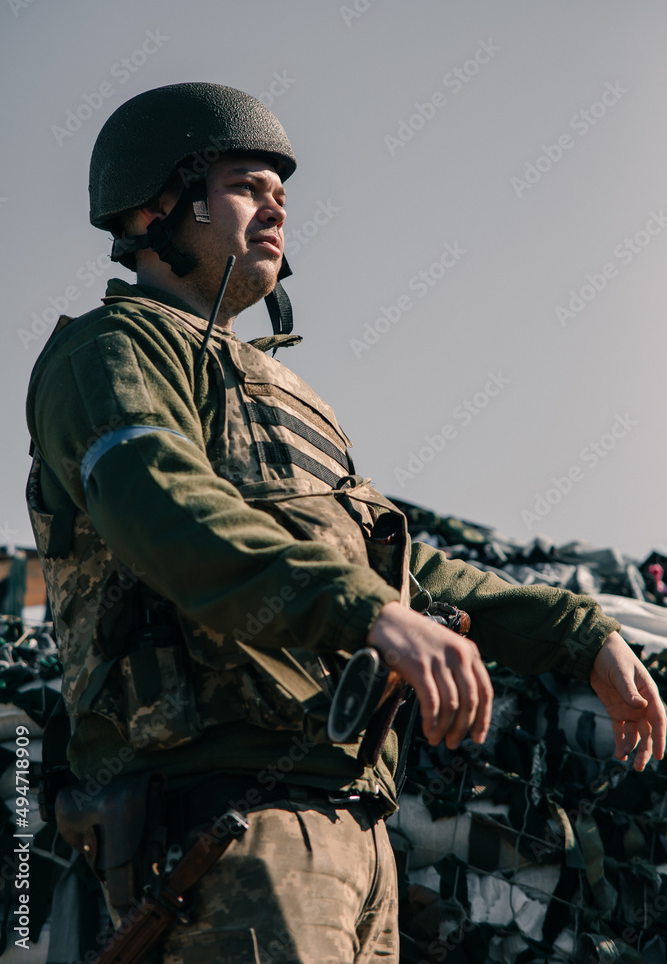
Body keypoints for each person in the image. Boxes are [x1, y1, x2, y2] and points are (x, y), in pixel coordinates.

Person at [26, 83, 666, 964]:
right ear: (156, 204)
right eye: (248, 184)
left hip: (356, 827)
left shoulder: (290, 397)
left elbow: (405, 570)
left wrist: (575, 633)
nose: (276, 206)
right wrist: (370, 615)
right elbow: (163, 507)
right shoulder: (109, 351)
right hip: (221, 813)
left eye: (282, 195)